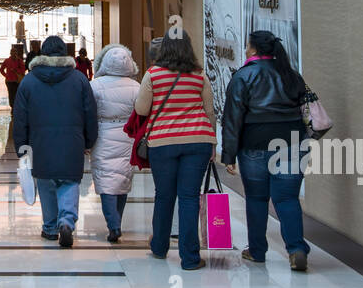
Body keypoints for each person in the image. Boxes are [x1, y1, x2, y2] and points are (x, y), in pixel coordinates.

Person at [221, 30, 312, 271]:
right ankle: (296, 249)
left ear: (253, 50)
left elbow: (232, 118)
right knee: (287, 198)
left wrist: (228, 154)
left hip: (255, 144)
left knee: (257, 198)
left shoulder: (243, 76)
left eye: (247, 45)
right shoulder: (292, 76)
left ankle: (257, 251)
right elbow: (307, 112)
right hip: (292, 143)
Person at [133, 33, 216, 271]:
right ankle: (190, 258)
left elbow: (141, 108)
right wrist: (213, 143)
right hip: (198, 140)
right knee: (189, 197)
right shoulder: (199, 75)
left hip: (163, 142)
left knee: (164, 195)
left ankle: (159, 247)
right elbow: (209, 111)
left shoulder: (153, 74)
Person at [13, 34, 98, 248]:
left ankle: (50, 227)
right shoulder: (79, 79)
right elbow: (90, 112)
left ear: (42, 53)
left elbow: (20, 116)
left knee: (46, 183)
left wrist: (22, 147)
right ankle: (67, 221)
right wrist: (89, 140)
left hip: (40, 143)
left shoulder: (29, 81)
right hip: (72, 142)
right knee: (69, 182)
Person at [90, 43, 140, 242]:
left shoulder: (95, 85)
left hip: (102, 135)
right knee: (122, 179)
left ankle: (113, 224)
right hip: (128, 136)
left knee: (105, 180)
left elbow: (89, 113)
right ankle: (116, 220)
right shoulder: (137, 87)